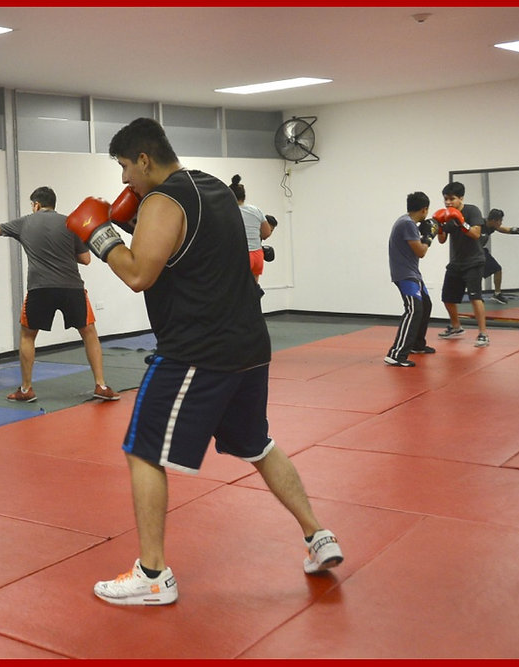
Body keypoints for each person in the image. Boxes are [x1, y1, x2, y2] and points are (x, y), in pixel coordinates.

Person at [65, 117, 342, 606]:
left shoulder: (163, 200)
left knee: (143, 449)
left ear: (145, 159)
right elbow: (190, 253)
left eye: (126, 167)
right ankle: (318, 536)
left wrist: (101, 235)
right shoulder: (211, 186)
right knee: (257, 444)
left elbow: (138, 274)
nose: (124, 180)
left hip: (198, 350)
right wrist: (131, 223)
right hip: (250, 345)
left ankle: (152, 574)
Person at [0, 187, 120, 403]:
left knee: (27, 335)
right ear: (53, 203)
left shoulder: (25, 222)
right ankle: (101, 385)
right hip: (72, 287)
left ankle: (26, 390)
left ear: (35, 204)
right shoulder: (70, 223)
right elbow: (86, 259)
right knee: (89, 332)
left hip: (40, 288)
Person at [435, 182, 490, 347]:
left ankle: (483, 334)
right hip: (456, 262)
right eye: (445, 199)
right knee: (447, 298)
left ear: (461, 198)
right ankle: (456, 327)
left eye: (452, 199)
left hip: (474, 261)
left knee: (475, 297)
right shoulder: (447, 214)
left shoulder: (471, 210)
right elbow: (442, 240)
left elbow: (476, 234)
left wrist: (461, 222)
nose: (448, 202)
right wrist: (439, 226)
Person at [384, 192, 436, 367]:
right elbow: (420, 252)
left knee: (426, 305)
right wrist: (429, 237)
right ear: (424, 209)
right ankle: (396, 354)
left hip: (413, 273)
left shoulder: (407, 222)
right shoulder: (407, 224)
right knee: (413, 310)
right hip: (405, 274)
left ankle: (416, 345)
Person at [480, 208, 519, 304]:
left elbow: (504, 229)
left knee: (497, 269)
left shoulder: (492, 226)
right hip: (470, 253)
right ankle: (475, 295)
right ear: (494, 220)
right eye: (500, 221)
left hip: (480, 251)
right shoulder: (479, 224)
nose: (501, 223)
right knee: (474, 274)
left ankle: (497, 294)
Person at [227, 174, 273, 283]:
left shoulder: (227, 211)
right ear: (244, 196)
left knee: (236, 289)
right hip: (257, 254)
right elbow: (266, 233)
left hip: (240, 255)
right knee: (253, 290)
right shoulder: (255, 210)